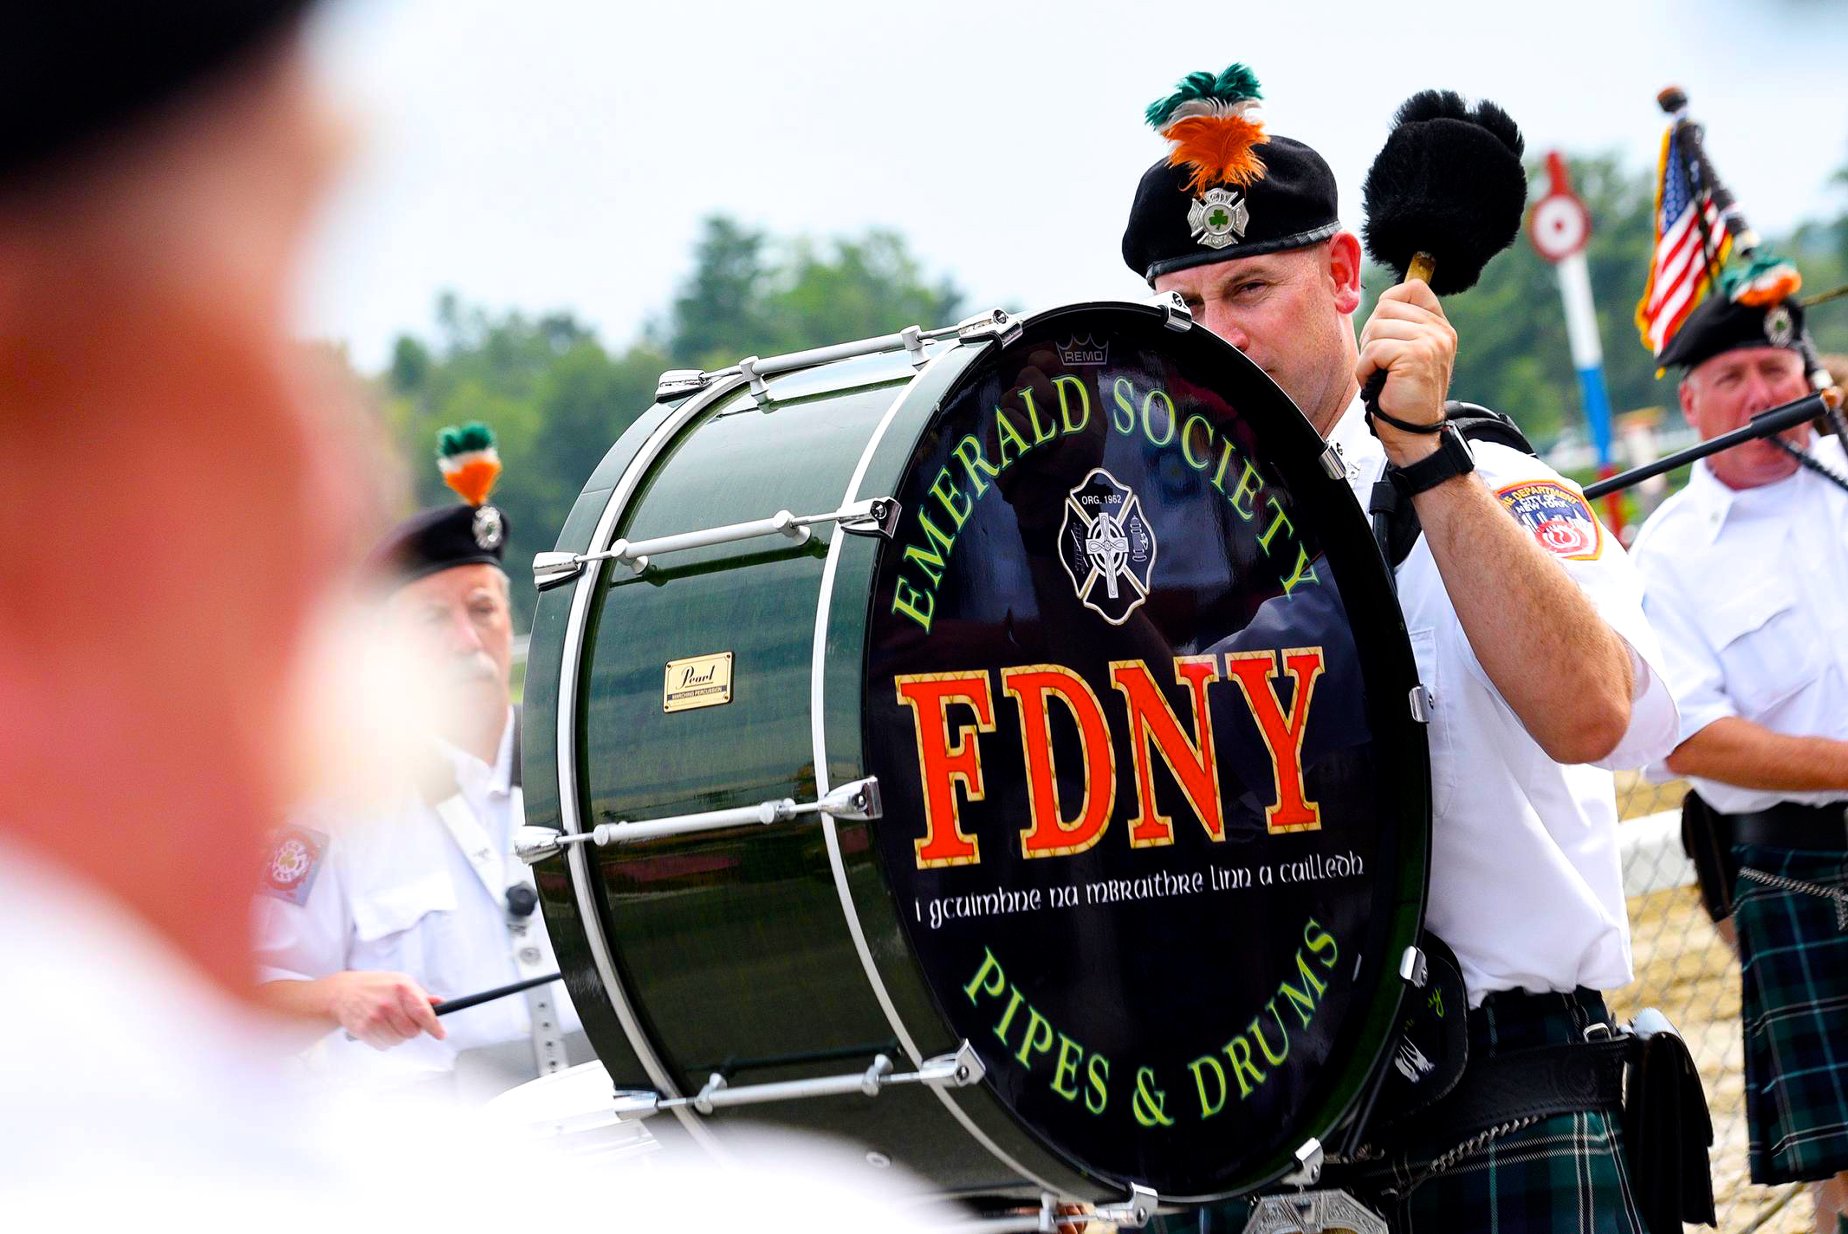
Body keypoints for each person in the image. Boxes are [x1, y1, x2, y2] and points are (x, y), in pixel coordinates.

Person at [1121, 66, 1681, 1232]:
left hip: (1494, 1104)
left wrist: (1427, 461)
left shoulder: (1492, 487)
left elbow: (1599, 716)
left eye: (1250, 287)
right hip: (1243, 1119)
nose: (1218, 336)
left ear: (1342, 275)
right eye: (1184, 308)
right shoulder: (1135, 562)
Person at [254, 428, 591, 1101]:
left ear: (509, 620)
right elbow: (245, 995)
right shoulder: (332, 810)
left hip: (608, 1121)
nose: (466, 639)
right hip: (429, 1145)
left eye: (482, 609)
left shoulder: (580, 765)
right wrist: (337, 995)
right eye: (433, 619)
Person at [1628, 293, 1848, 1233]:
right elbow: (1687, 737)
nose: (1761, 393)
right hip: (1804, 870)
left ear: (1810, 380)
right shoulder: (1669, 553)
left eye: (1775, 370)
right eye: (1732, 378)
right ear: (1692, 403)